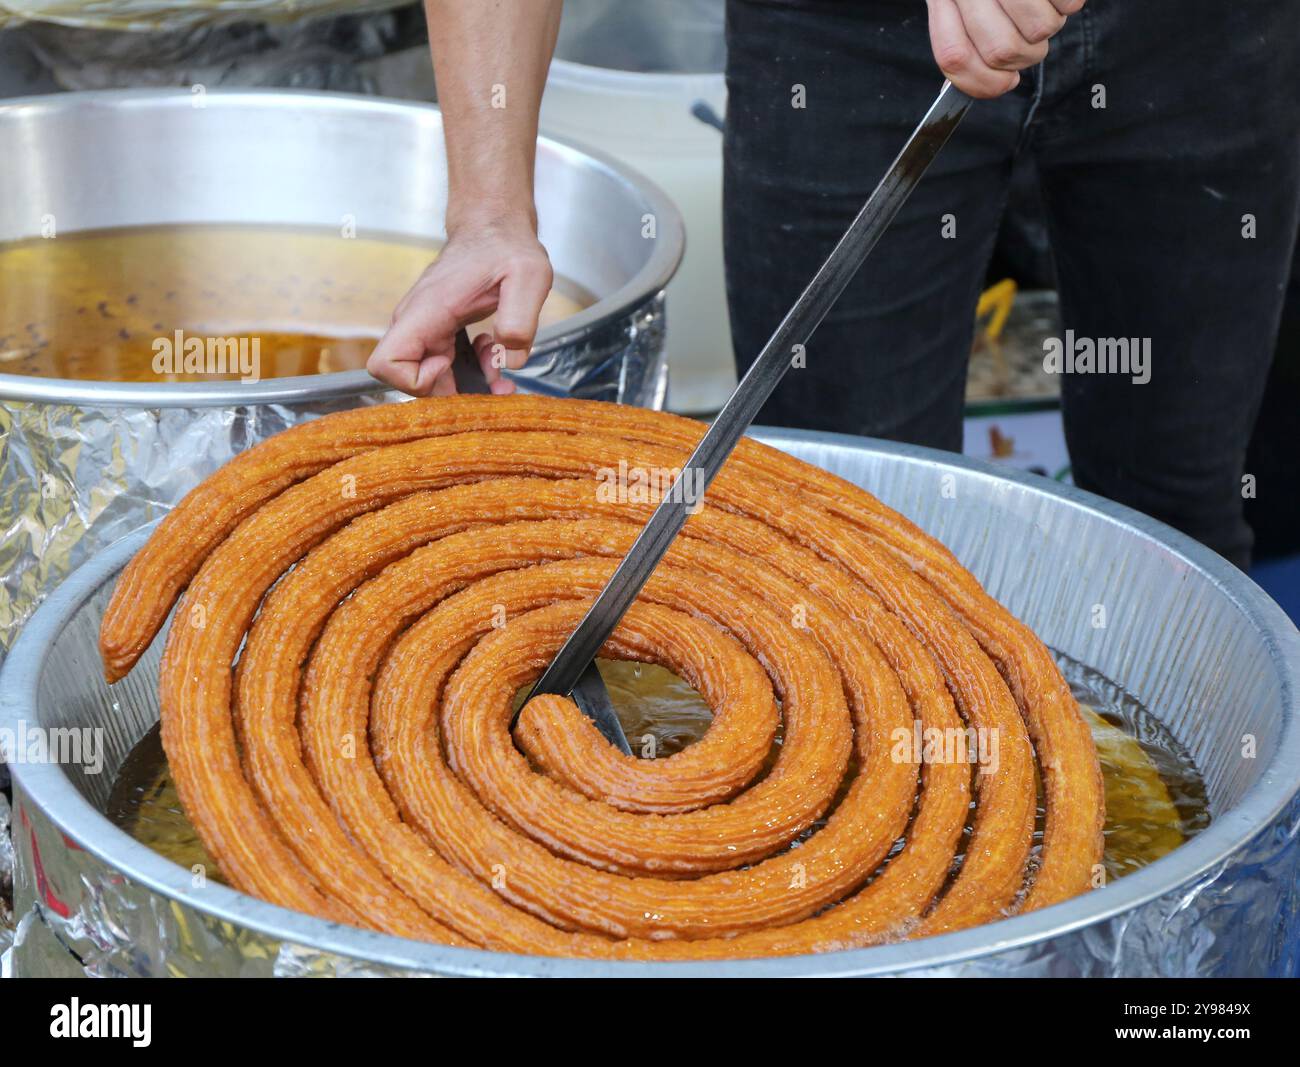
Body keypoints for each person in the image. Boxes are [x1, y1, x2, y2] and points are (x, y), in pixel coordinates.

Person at [368, 0, 1300, 571]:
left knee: (1179, 529)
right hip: (840, 40)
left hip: (1207, 36)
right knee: (840, 545)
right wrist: (489, 212)